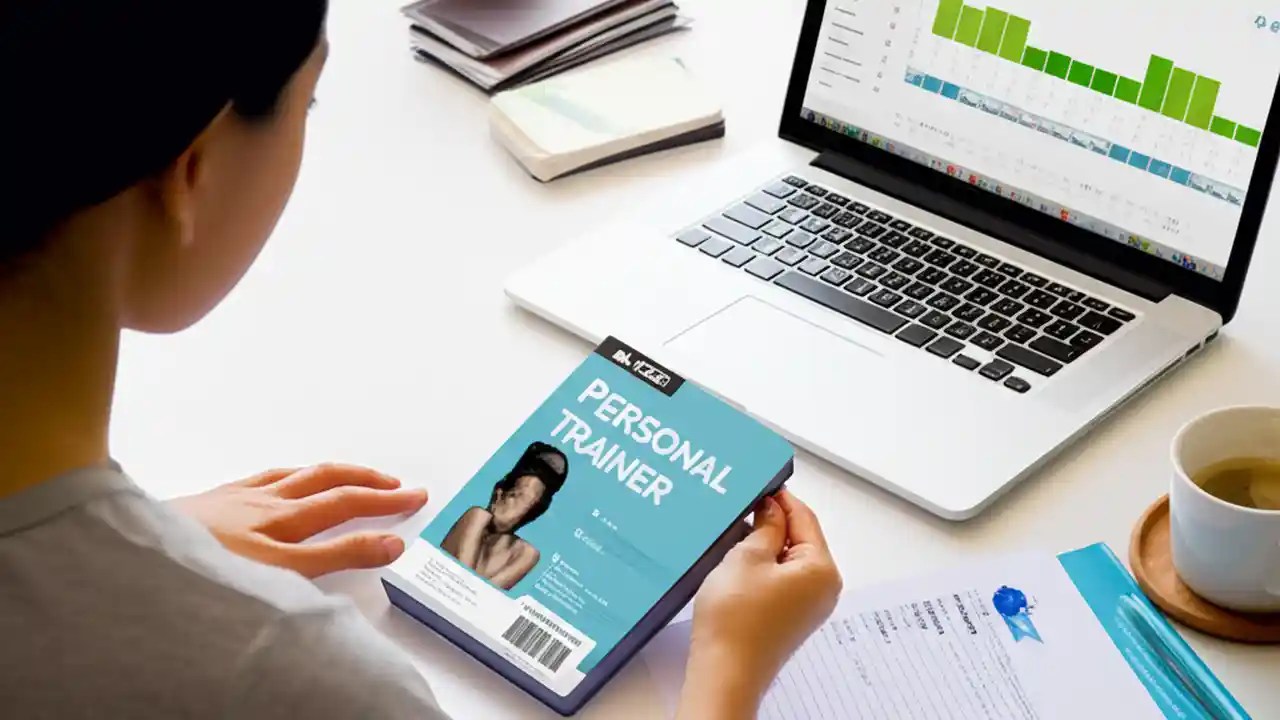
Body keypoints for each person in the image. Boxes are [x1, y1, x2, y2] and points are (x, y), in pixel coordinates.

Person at [0, 2, 843, 718]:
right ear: (192, 173)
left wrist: (117, 550)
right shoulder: (282, 677)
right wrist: (728, 673)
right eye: (311, 102)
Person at [440, 442, 567, 590]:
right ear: (500, 493)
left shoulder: (525, 553)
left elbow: (482, 598)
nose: (519, 513)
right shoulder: (476, 517)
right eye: (516, 496)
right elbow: (461, 585)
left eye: (532, 506)